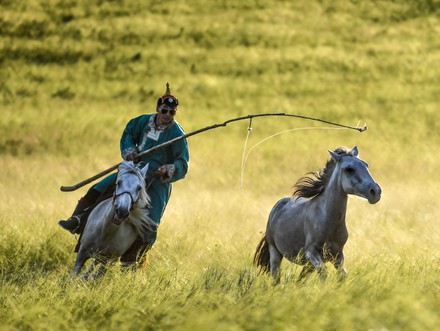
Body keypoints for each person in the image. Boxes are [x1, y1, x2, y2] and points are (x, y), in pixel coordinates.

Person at [58, 83, 190, 265]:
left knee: (151, 221)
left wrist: (168, 169)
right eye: (165, 110)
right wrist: (129, 151)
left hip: (158, 179)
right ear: (158, 108)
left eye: (171, 113)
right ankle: (77, 220)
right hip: (134, 169)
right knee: (98, 188)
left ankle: (132, 258)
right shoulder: (142, 122)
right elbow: (128, 134)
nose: (167, 115)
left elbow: (182, 162)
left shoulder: (177, 133)